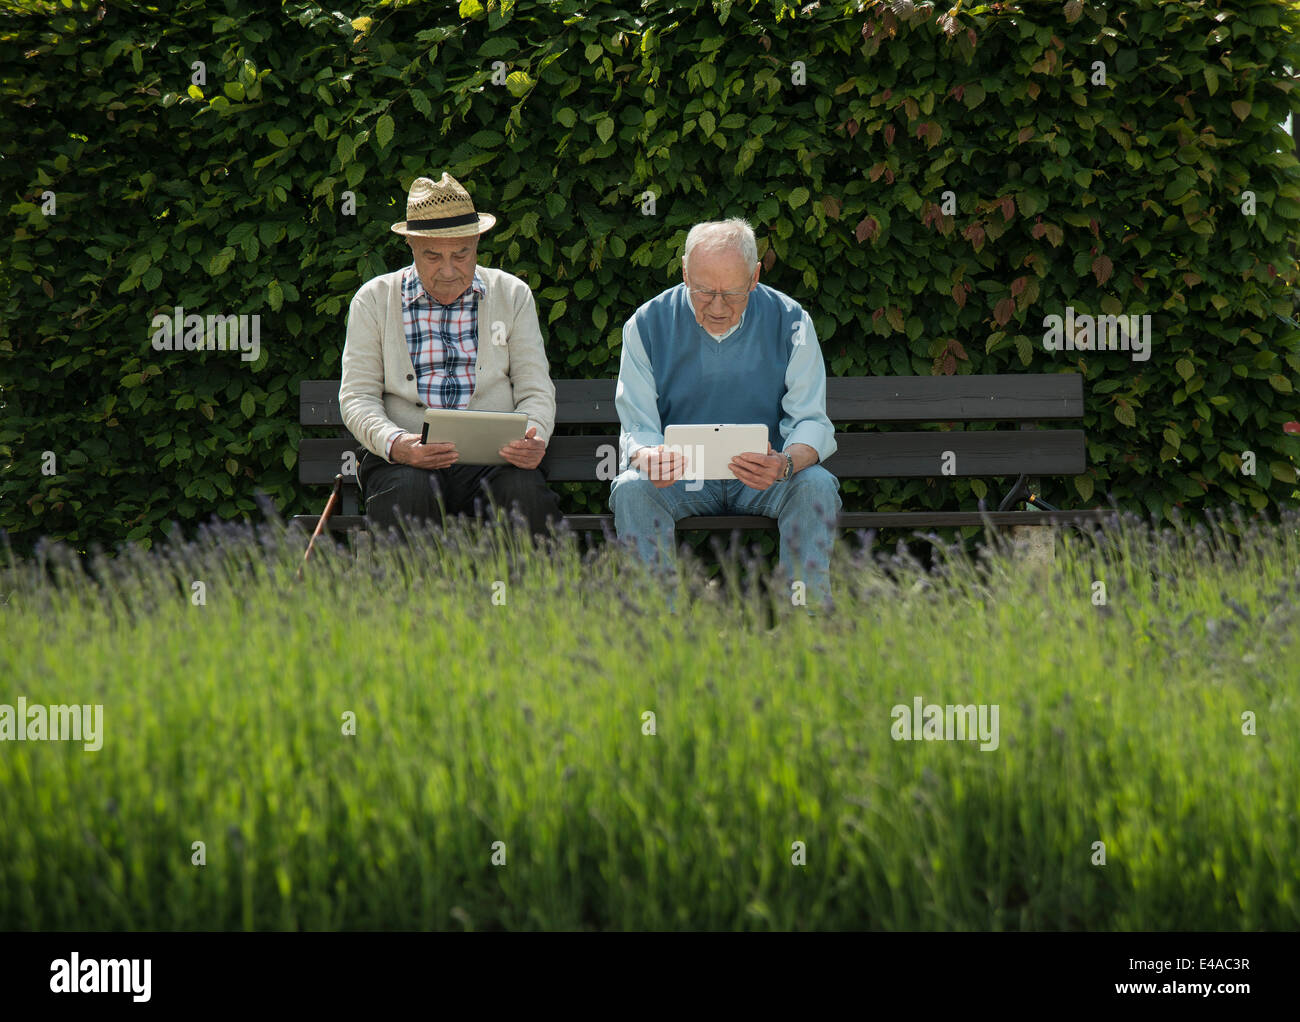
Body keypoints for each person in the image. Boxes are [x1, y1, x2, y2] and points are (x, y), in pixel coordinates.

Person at [610, 218, 841, 607]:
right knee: (632, 489)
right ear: (685, 272)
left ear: (754, 277)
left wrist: (785, 462)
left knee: (816, 485)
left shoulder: (792, 320)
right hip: (680, 475)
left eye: (732, 293)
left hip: (763, 475)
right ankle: (653, 630)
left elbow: (810, 422)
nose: (717, 307)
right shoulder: (646, 323)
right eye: (703, 291)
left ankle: (807, 625)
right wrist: (648, 455)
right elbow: (638, 424)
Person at [339, 173, 563, 539]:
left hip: (495, 460)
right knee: (404, 495)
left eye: (461, 254)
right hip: (407, 461)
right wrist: (395, 444)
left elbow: (535, 388)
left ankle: (530, 598)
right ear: (411, 244)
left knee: (525, 495)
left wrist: (533, 436)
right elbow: (357, 397)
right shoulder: (373, 300)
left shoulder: (512, 294)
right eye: (432, 256)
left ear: (477, 243)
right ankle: (408, 599)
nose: (448, 270)